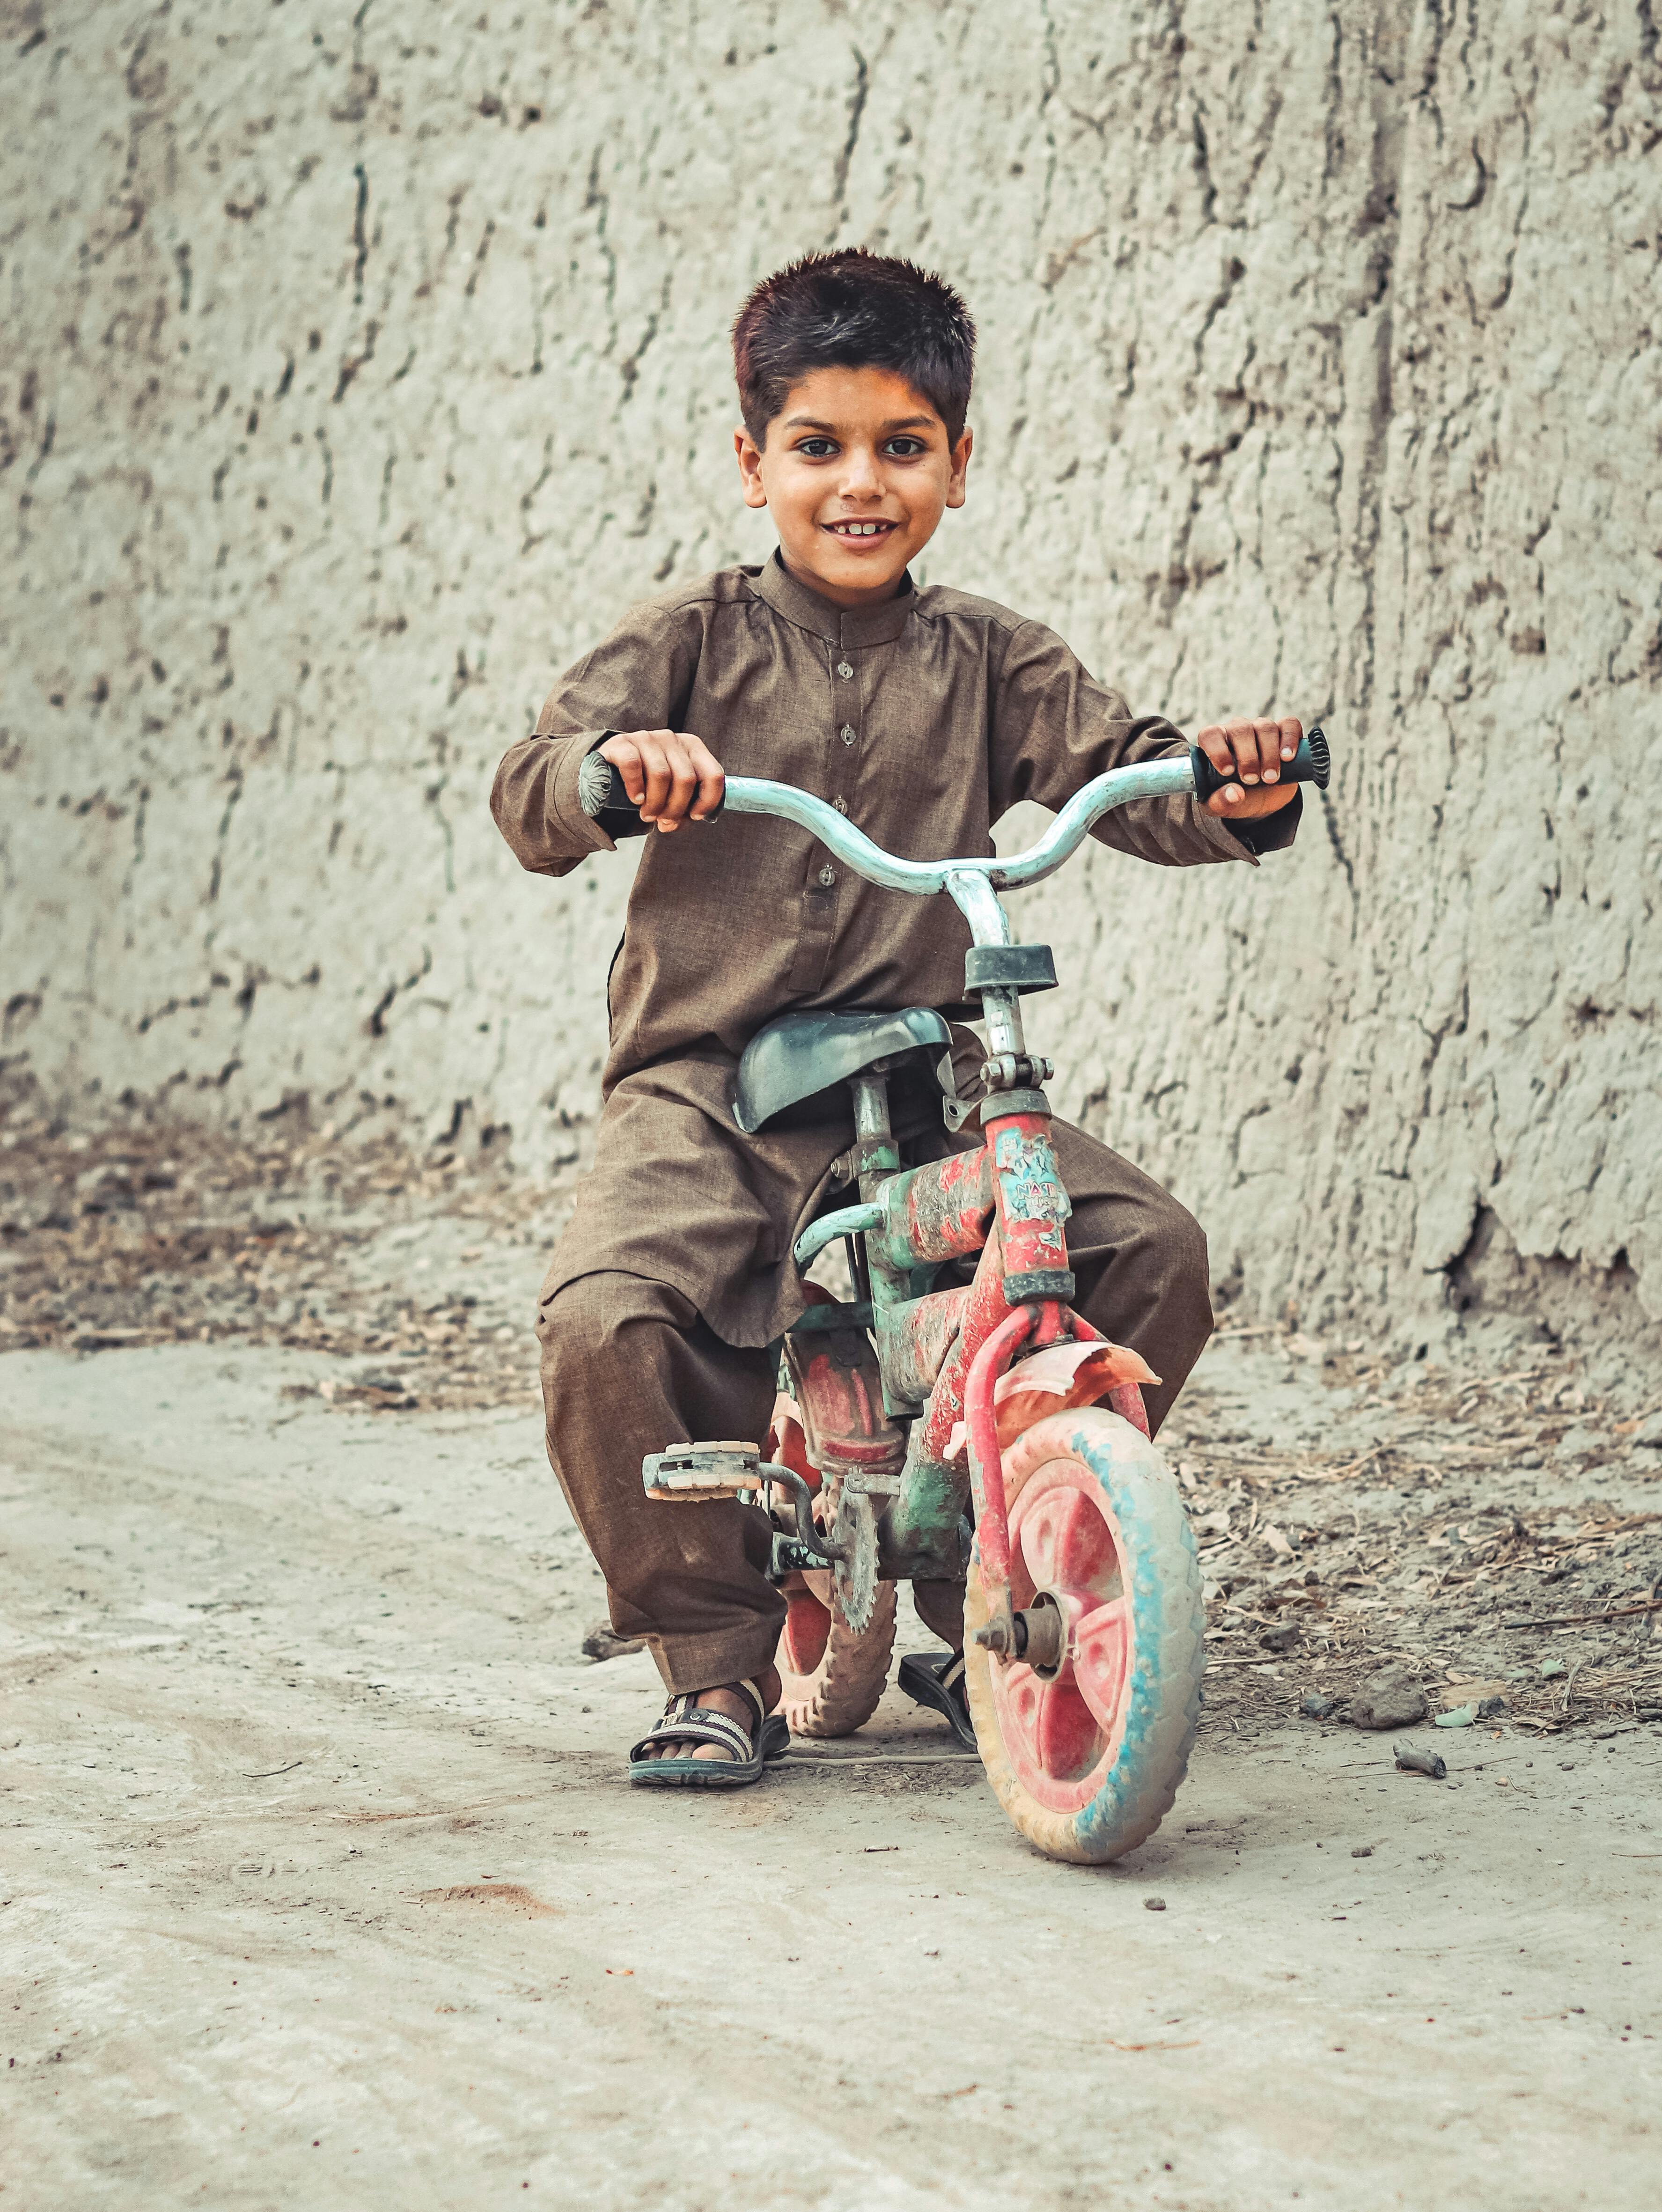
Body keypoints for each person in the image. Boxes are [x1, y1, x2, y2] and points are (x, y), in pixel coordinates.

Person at [489, 250, 1304, 1786]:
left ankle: (989, 1577)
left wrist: (1228, 787)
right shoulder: (690, 641)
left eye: (902, 447)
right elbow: (534, 785)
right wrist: (615, 774)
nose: (861, 483)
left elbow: (1131, 772)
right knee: (606, 1321)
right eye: (819, 446)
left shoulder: (992, 658)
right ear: (756, 465)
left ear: (957, 464)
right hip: (711, 1083)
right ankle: (716, 1664)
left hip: (926, 1084)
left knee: (1146, 1250)